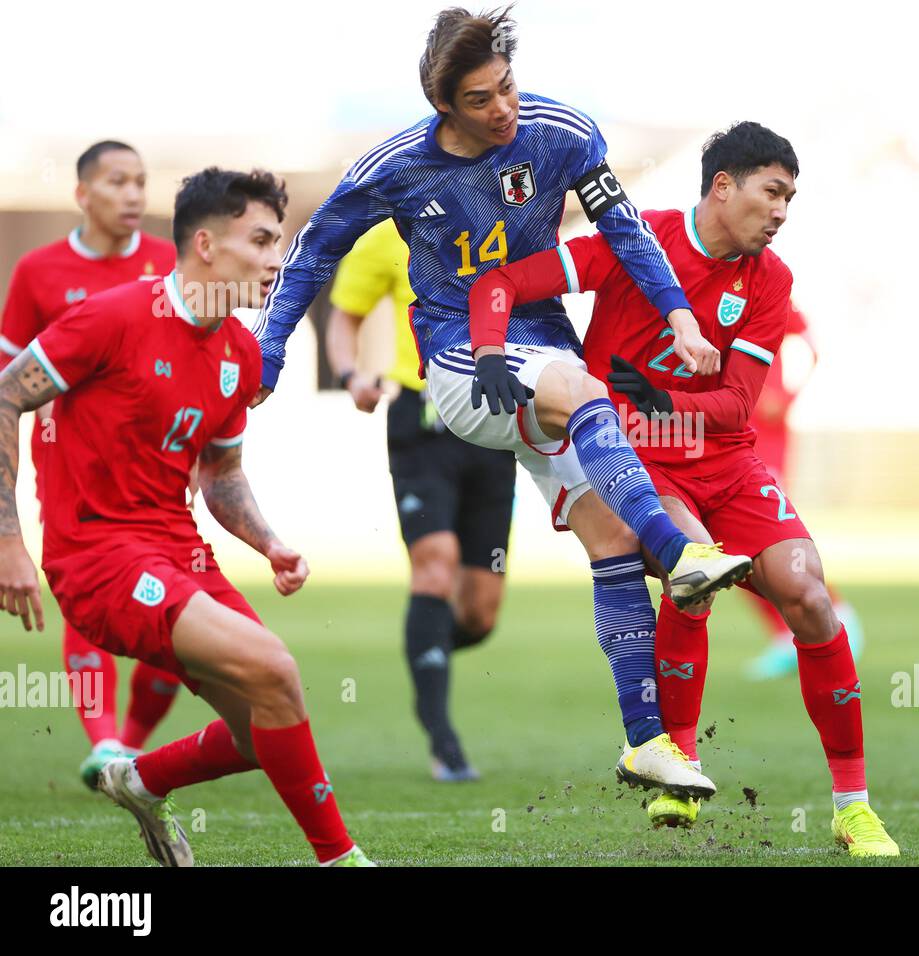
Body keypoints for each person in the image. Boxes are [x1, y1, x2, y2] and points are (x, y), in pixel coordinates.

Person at [253, 5, 748, 798]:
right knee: (585, 400)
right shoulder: (395, 165)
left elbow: (624, 232)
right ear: (443, 105)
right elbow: (318, 249)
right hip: (458, 361)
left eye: (507, 86)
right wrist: (272, 343)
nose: (504, 108)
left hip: (544, 343)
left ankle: (645, 740)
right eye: (481, 98)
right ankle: (684, 555)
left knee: (613, 540)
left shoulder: (562, 133)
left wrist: (681, 317)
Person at [466, 122, 900, 857]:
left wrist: (656, 404)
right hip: (643, 465)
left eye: (791, 197)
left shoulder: (772, 281)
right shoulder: (639, 240)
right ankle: (679, 764)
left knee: (811, 595)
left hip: (727, 462)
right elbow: (504, 279)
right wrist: (486, 348)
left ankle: (853, 807)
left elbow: (736, 405)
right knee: (689, 565)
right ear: (722, 187)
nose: (782, 211)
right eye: (772, 192)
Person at [0, 167, 373, 867]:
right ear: (206, 243)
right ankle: (340, 858)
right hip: (96, 558)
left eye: (279, 243)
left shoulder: (239, 351)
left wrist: (269, 543)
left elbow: (222, 472)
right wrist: (8, 540)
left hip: (179, 553)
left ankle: (138, 779)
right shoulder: (113, 317)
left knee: (264, 725)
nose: (275, 260)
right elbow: (5, 394)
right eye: (261, 241)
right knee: (277, 667)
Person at [0, 140, 184, 787]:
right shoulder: (38, 273)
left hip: (160, 474)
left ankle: (127, 747)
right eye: (117, 182)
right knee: (91, 602)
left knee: (178, 616)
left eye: (141, 181)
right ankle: (104, 742)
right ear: (83, 193)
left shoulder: (169, 264)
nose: (134, 194)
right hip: (72, 473)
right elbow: (7, 382)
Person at [326, 219, 516, 781]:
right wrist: (349, 373)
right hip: (420, 422)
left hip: (491, 415)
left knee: (480, 614)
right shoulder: (383, 235)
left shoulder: (506, 215)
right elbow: (345, 318)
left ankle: (423, 650)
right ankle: (443, 740)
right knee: (434, 567)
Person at [742, 303, 864, 681]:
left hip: (765, 436)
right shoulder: (702, 284)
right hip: (728, 426)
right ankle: (785, 633)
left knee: (766, 533)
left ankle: (837, 614)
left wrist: (788, 396)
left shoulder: (764, 285)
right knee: (731, 547)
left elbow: (812, 344)